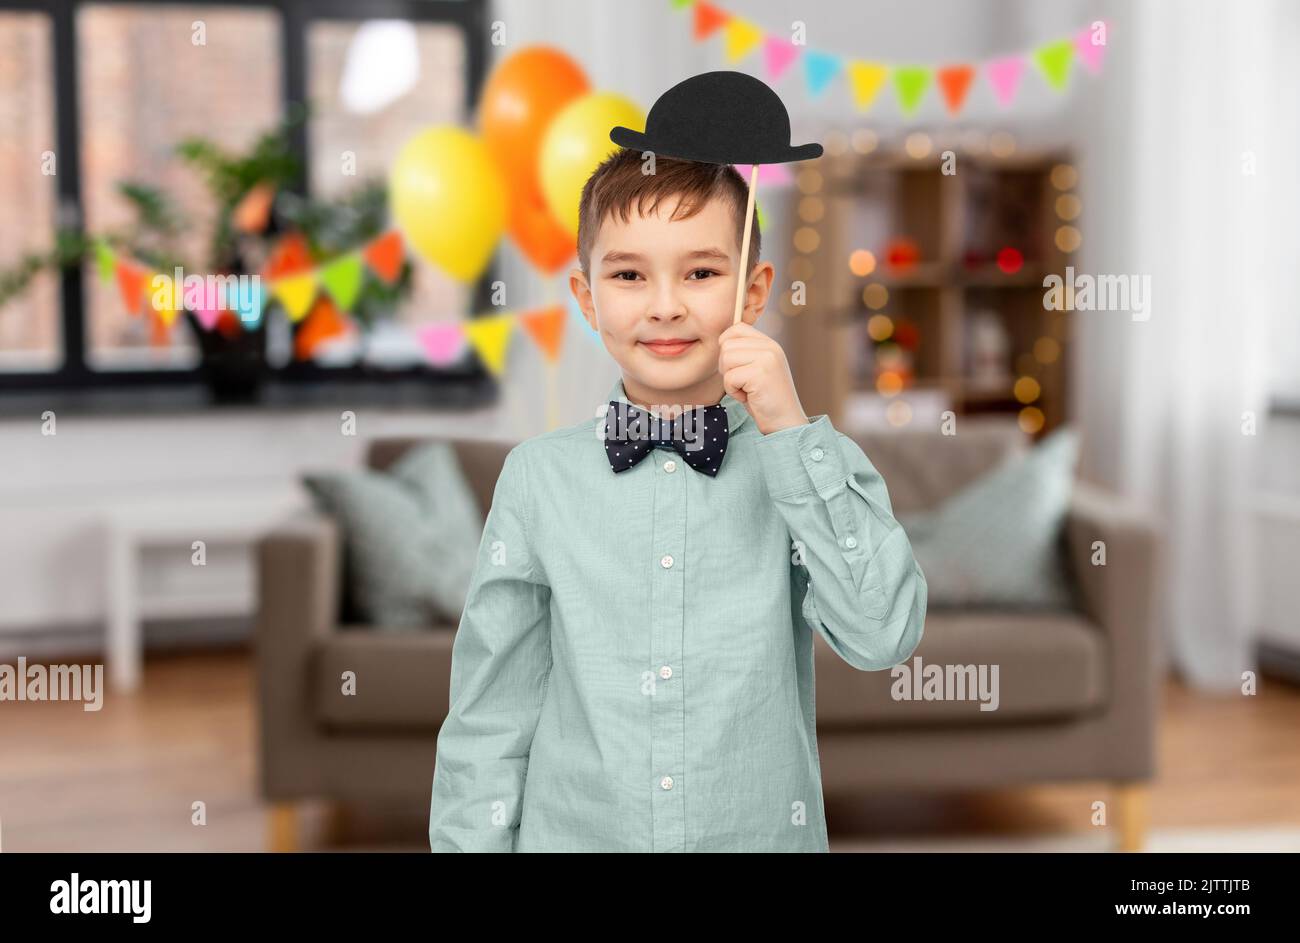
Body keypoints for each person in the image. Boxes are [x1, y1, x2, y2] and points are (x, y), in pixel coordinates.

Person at [427, 143, 928, 852]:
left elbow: (883, 635)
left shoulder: (811, 462)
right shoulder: (536, 479)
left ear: (753, 292)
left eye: (700, 271)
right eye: (629, 274)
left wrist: (788, 428)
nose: (666, 305)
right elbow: (490, 715)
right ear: (587, 297)